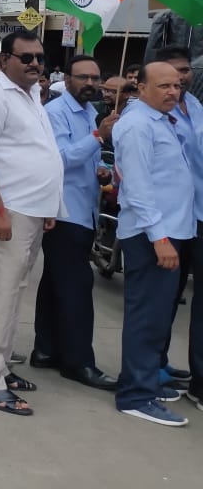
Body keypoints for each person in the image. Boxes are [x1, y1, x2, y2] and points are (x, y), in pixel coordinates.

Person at [0, 30, 63, 415]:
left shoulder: (33, 95)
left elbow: (38, 153)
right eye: (26, 57)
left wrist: (49, 205)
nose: (35, 63)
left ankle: (0, 369)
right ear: (4, 60)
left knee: (13, 294)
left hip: (31, 211)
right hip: (6, 211)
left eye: (39, 57)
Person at [113, 62, 195, 427]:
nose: (172, 92)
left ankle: (144, 381)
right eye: (163, 86)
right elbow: (139, 189)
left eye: (176, 86)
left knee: (158, 317)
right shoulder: (136, 126)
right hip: (152, 235)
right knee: (147, 317)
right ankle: (136, 395)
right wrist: (159, 238)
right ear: (140, 87)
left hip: (172, 230)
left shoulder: (161, 120)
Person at [32, 55, 118, 390]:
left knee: (56, 283)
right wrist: (98, 137)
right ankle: (79, 361)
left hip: (84, 210)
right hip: (64, 213)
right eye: (83, 78)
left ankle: (47, 349)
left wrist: (101, 169)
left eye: (96, 78)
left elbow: (84, 160)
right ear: (66, 78)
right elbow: (59, 160)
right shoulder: (55, 113)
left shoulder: (87, 112)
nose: (91, 84)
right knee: (77, 288)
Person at [152, 46, 200, 388]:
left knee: (188, 298)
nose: (179, 78)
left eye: (184, 71)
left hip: (198, 215)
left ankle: (194, 375)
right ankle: (152, 365)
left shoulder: (195, 106)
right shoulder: (151, 115)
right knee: (163, 298)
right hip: (170, 217)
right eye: (172, 72)